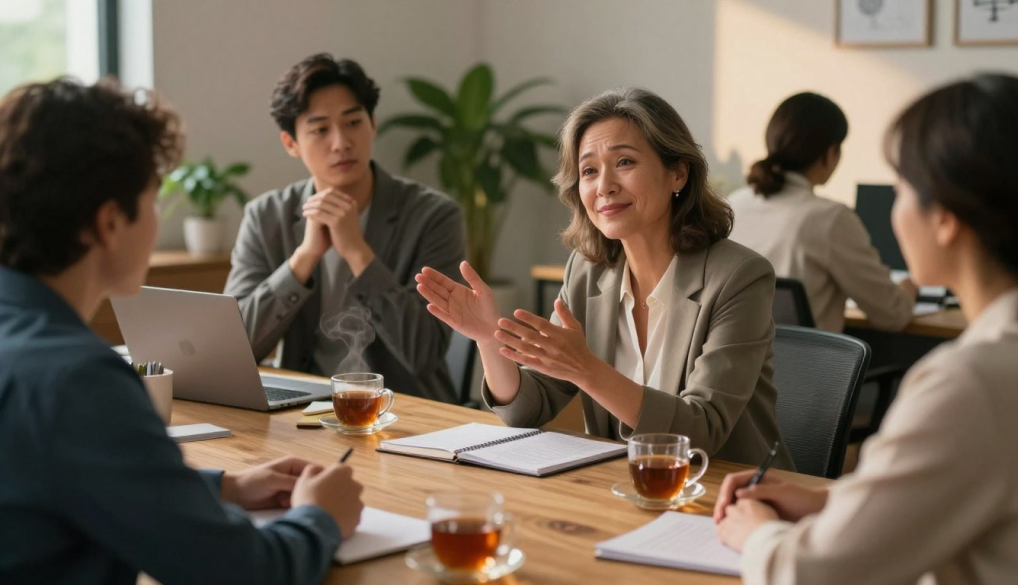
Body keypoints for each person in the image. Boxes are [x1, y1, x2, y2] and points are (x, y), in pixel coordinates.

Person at [0, 78, 363, 584]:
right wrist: (320, 517)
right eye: (153, 200)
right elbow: (243, 572)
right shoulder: (78, 380)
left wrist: (222, 488)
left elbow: (55, 479)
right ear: (109, 223)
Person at [716, 74, 1018, 584]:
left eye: (901, 188)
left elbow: (811, 574)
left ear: (945, 218)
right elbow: (978, 481)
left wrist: (755, 533)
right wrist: (831, 498)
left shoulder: (971, 383)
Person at [417, 87, 793, 468]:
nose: (604, 186)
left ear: (677, 173)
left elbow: (702, 431)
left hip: (729, 494)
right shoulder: (587, 271)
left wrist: (586, 369)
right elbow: (529, 409)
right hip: (626, 487)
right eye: (589, 171)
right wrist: (488, 340)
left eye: (625, 162)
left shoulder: (739, 276)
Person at [224, 54, 464, 403]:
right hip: (301, 411)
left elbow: (424, 352)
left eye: (353, 122)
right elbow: (233, 349)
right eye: (320, 129)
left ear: (373, 123)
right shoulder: (266, 216)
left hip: (407, 415)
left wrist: (358, 254)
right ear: (291, 143)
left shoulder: (433, 215)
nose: (341, 142)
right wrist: (302, 260)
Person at [729, 92, 917, 332]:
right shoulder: (830, 219)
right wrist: (910, 287)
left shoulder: (732, 206)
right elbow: (893, 314)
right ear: (831, 153)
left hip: (740, 367)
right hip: (807, 369)